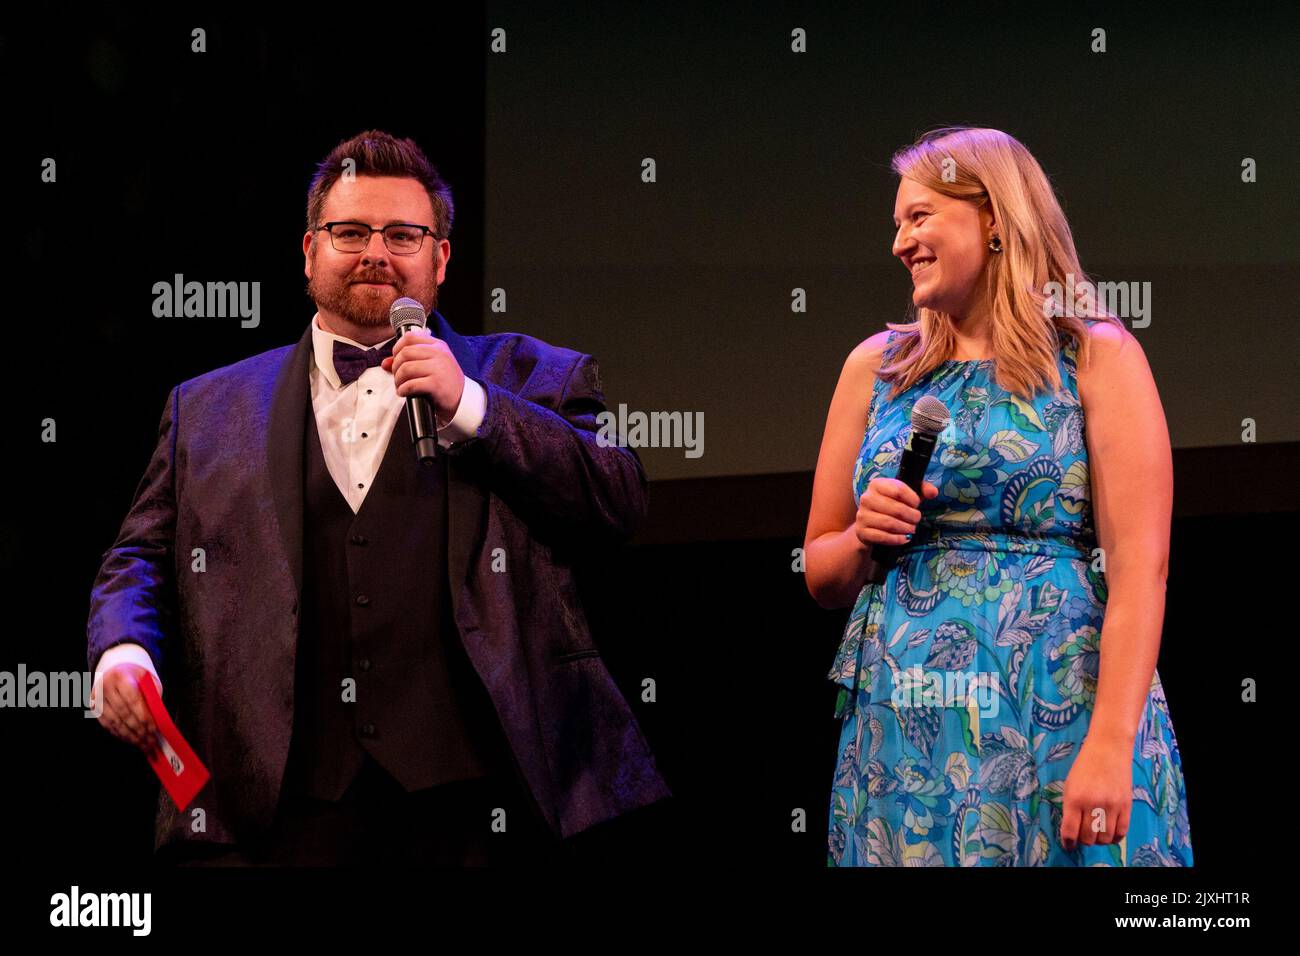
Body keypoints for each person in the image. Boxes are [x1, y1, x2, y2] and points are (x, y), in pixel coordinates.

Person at [86, 129, 671, 865]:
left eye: (403, 234)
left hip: (485, 803)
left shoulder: (532, 376)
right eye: (350, 231)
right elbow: (138, 554)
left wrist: (474, 407)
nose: (376, 252)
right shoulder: (208, 407)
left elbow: (619, 499)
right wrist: (123, 652)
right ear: (308, 252)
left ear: (441, 258)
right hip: (279, 807)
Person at [805, 127, 1192, 867]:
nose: (900, 242)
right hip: (907, 730)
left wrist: (1111, 746)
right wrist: (861, 537)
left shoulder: (1095, 355)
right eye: (896, 226)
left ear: (992, 217)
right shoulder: (875, 369)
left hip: (1061, 709)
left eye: (918, 217)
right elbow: (821, 569)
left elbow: (1143, 567)